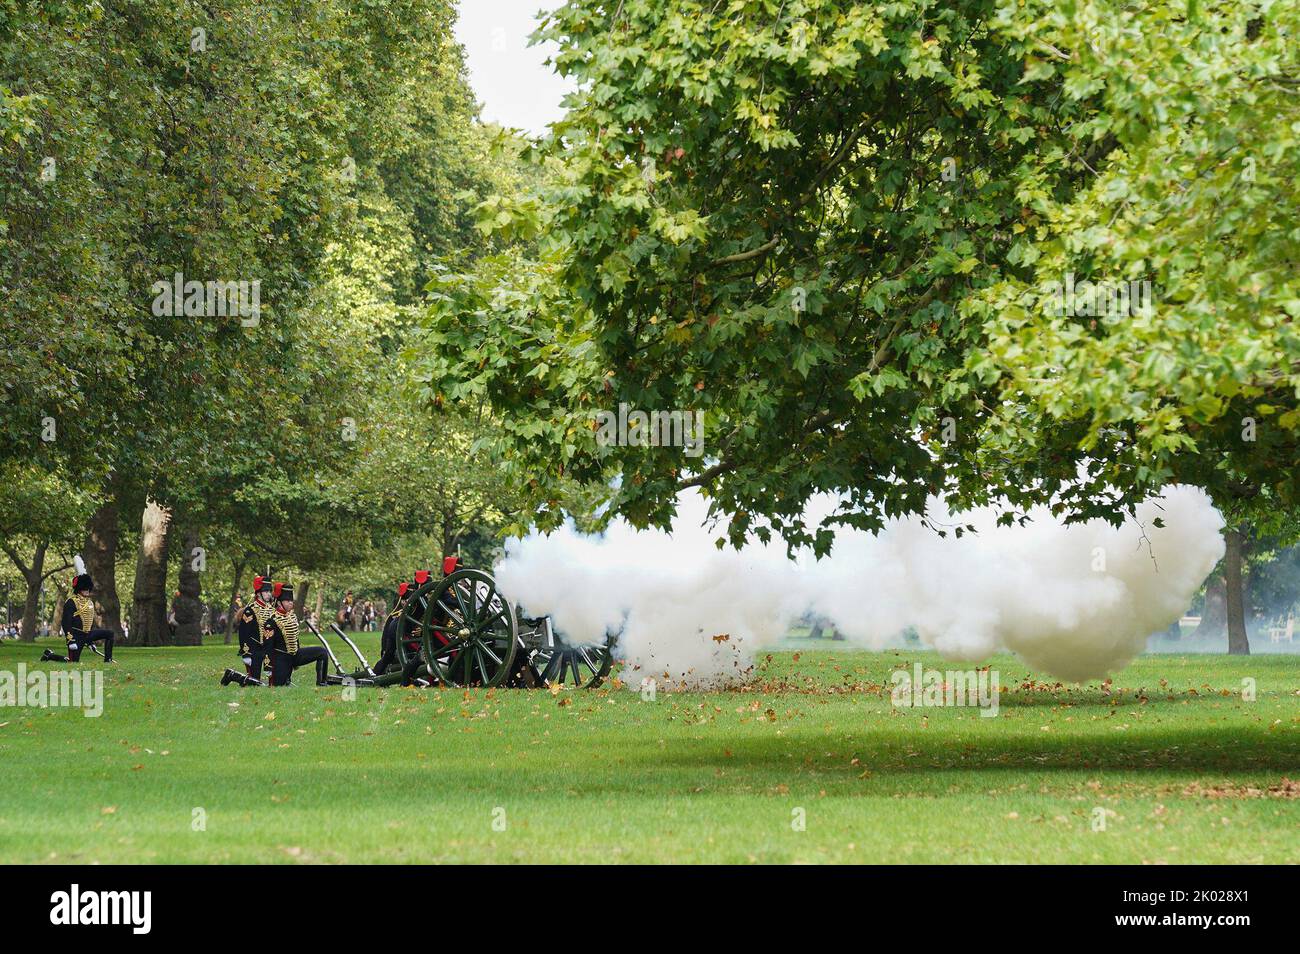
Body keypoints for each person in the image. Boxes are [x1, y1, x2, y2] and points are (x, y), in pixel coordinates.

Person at [42, 559, 115, 664]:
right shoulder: (71, 602)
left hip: (87, 634)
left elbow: (88, 623)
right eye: (84, 589)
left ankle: (108, 659)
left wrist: (90, 642)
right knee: (72, 662)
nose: (86, 590)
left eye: (88, 589)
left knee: (109, 634)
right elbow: (66, 623)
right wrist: (70, 640)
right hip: (75, 636)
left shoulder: (90, 603)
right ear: (79, 589)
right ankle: (50, 655)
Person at [262, 584, 330, 686]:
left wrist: (296, 652)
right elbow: (267, 646)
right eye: (287, 601)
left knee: (322, 652)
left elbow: (295, 638)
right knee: (279, 686)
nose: (290, 603)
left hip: (295, 655)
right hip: (281, 658)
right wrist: (268, 666)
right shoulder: (271, 621)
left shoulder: (292, 617)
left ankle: (322, 682)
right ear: (279, 602)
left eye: (291, 601)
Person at [220, 575, 276, 687]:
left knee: (274, 682)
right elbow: (244, 633)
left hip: (269, 649)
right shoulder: (250, 610)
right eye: (266, 591)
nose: (269, 594)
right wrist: (246, 653)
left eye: (270, 591)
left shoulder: (272, 609)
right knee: (253, 683)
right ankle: (232, 675)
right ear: (258, 593)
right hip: (254, 649)